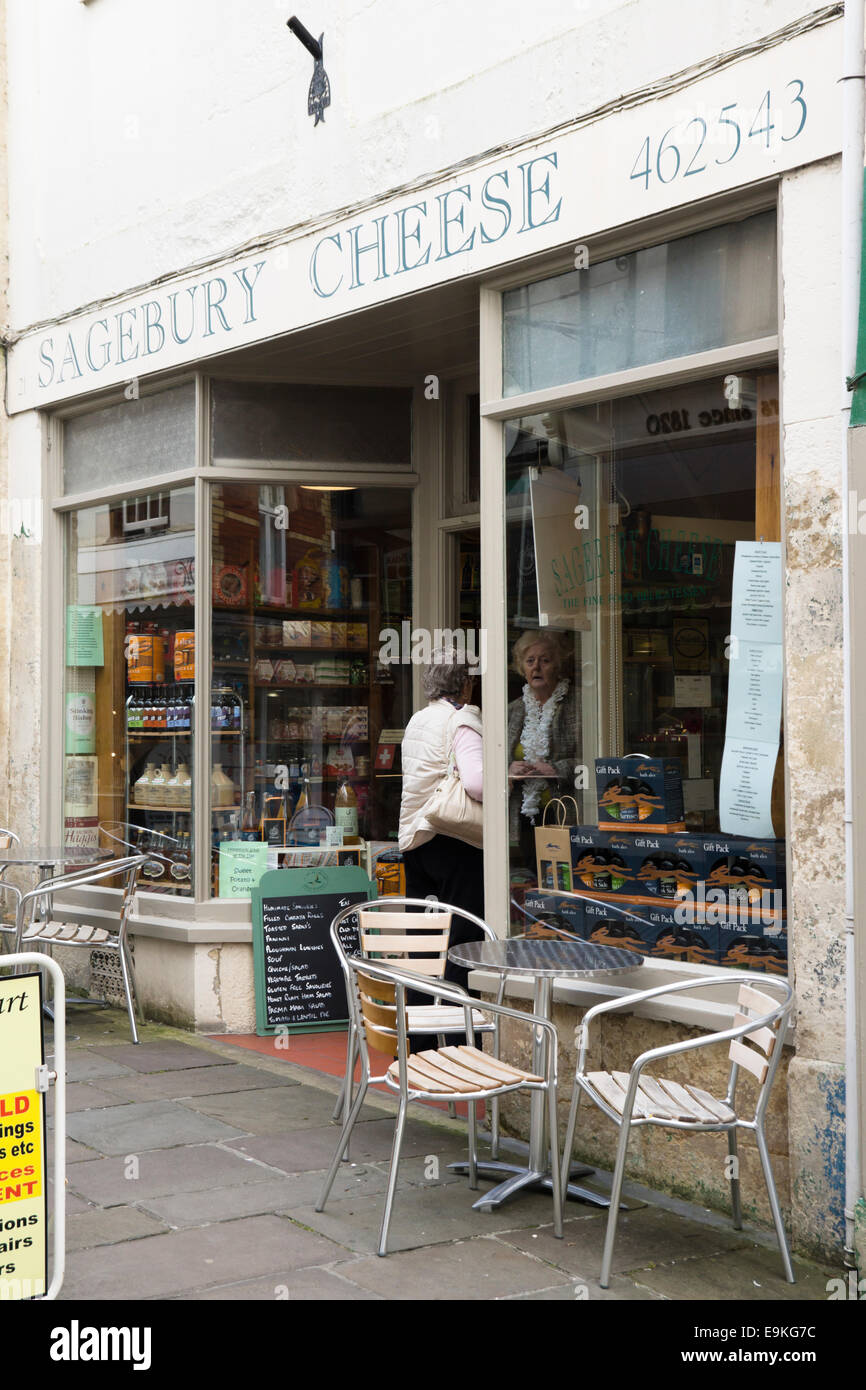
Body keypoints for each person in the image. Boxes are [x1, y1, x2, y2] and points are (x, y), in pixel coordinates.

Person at [398, 647, 484, 986]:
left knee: (423, 942)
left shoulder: (418, 719)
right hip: (454, 839)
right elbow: (477, 784)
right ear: (464, 683)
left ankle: (420, 1035)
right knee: (462, 940)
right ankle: (458, 1028)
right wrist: (505, 776)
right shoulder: (462, 720)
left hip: (416, 838)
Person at [507, 630, 578, 871]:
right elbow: (491, 760)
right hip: (524, 816)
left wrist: (556, 769)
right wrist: (508, 769)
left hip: (565, 812)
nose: (536, 667)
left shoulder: (576, 705)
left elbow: (594, 756)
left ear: (557, 666)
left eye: (544, 660)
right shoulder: (512, 710)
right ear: (522, 668)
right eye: (530, 661)